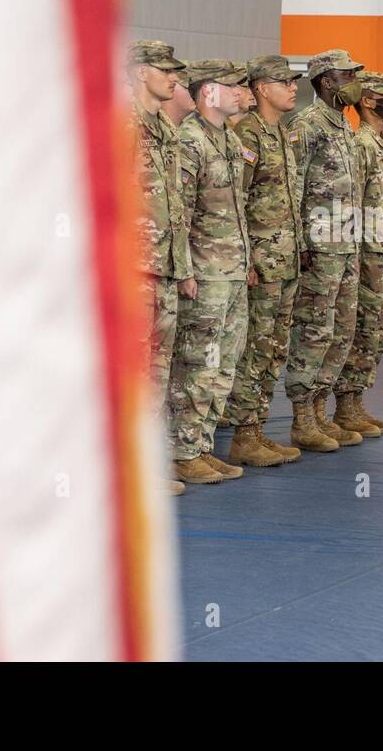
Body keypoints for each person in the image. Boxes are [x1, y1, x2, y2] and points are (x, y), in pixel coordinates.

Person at [169, 59, 260, 485]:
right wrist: (184, 270)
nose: (243, 92)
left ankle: (202, 446)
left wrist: (247, 264)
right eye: (234, 86)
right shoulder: (190, 140)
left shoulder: (226, 138)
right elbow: (180, 214)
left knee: (224, 364)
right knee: (197, 365)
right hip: (204, 274)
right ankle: (181, 450)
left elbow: (237, 210)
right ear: (209, 92)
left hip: (231, 271)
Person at [225, 54, 319, 462]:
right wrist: (245, 259)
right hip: (262, 262)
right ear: (262, 88)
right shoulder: (248, 134)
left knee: (275, 347)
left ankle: (257, 428)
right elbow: (237, 201)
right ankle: (244, 434)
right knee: (257, 347)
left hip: (284, 260)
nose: (293, 89)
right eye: (285, 82)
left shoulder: (281, 133)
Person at [285, 49, 366, 449]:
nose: (354, 79)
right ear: (326, 81)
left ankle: (319, 407)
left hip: (345, 244)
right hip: (319, 246)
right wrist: (301, 242)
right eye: (347, 73)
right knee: (314, 328)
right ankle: (302, 415)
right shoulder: (308, 124)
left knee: (341, 328)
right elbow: (294, 185)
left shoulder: (343, 125)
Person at [128, 39, 188, 496]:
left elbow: (175, 206)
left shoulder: (164, 130)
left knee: (158, 369)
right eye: (165, 69)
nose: (175, 78)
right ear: (138, 71)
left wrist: (182, 266)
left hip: (164, 265)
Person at [334, 70, 383, 436]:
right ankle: (345, 404)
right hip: (365, 250)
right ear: (367, 101)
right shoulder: (360, 144)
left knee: (377, 330)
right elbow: (353, 202)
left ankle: (357, 399)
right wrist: (356, 253)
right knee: (360, 328)